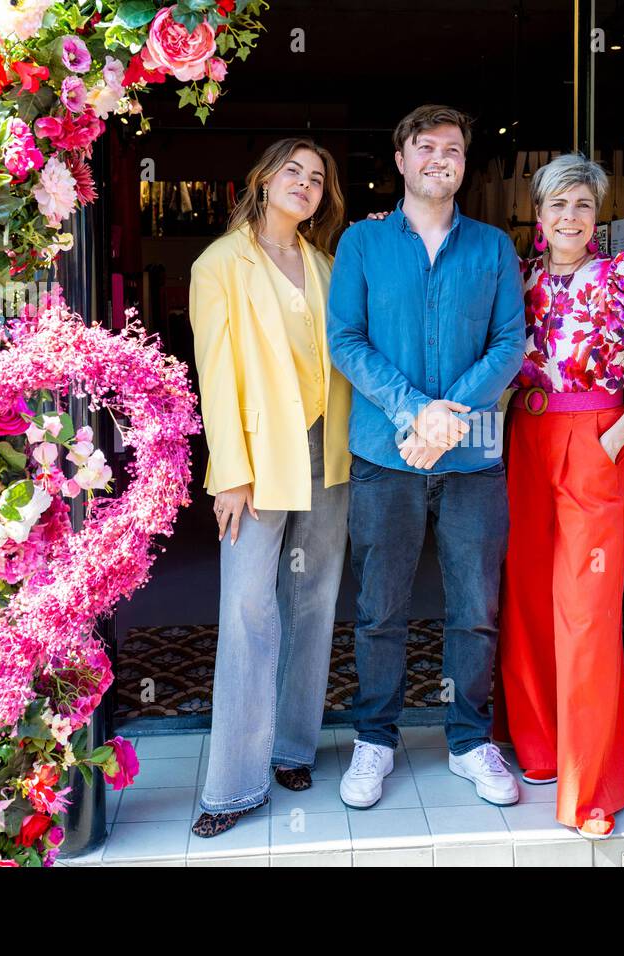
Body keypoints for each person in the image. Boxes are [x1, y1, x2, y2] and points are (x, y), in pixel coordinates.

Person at [327, 104, 525, 809]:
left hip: (472, 462)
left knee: (474, 607)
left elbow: (510, 344)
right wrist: (416, 410)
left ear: (464, 166)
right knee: (381, 607)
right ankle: (375, 740)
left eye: (454, 149)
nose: (441, 157)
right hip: (387, 455)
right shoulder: (361, 244)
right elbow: (346, 340)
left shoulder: (494, 247)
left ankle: (471, 743)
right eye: (426, 146)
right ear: (402, 160)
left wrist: (450, 419)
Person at [493, 153, 624, 840]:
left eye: (581, 204)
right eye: (556, 204)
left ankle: (591, 783)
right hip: (528, 435)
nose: (568, 216)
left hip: (593, 434)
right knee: (529, 595)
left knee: (586, 610)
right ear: (537, 215)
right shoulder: (523, 278)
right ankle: (539, 751)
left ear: (597, 215)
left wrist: (611, 441)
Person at [187, 138, 351, 837]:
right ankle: (232, 785)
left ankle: (292, 747)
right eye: (295, 171)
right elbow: (215, 375)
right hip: (258, 457)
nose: (307, 185)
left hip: (326, 450)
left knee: (313, 601)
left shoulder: (325, 266)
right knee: (251, 607)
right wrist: (230, 471)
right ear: (262, 178)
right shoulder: (219, 263)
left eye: (318, 178)